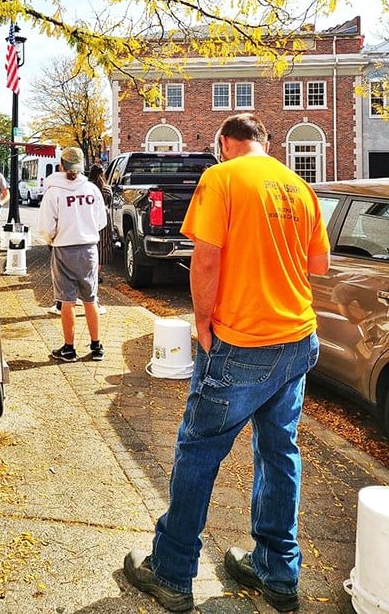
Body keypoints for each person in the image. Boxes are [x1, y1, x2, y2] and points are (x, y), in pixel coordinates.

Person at [124, 113, 330, 613]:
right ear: (265, 142)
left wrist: (202, 322)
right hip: (297, 338)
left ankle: (172, 572)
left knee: (198, 452)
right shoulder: (298, 186)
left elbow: (207, 257)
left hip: (242, 341)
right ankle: (278, 571)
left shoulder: (221, 177)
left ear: (224, 143)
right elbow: (317, 265)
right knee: (280, 452)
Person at [38, 146, 107, 362]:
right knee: (91, 298)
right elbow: (101, 222)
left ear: (61, 165)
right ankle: (96, 346)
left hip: (64, 248)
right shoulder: (92, 190)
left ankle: (69, 348)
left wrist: (52, 239)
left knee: (67, 300)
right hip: (88, 248)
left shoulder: (53, 192)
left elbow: (46, 226)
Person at [88, 162, 114, 281]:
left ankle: (89, 272)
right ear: (102, 174)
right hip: (103, 218)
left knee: (89, 244)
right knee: (102, 246)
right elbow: (110, 203)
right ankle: (96, 273)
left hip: (88, 218)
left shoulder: (87, 187)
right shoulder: (106, 189)